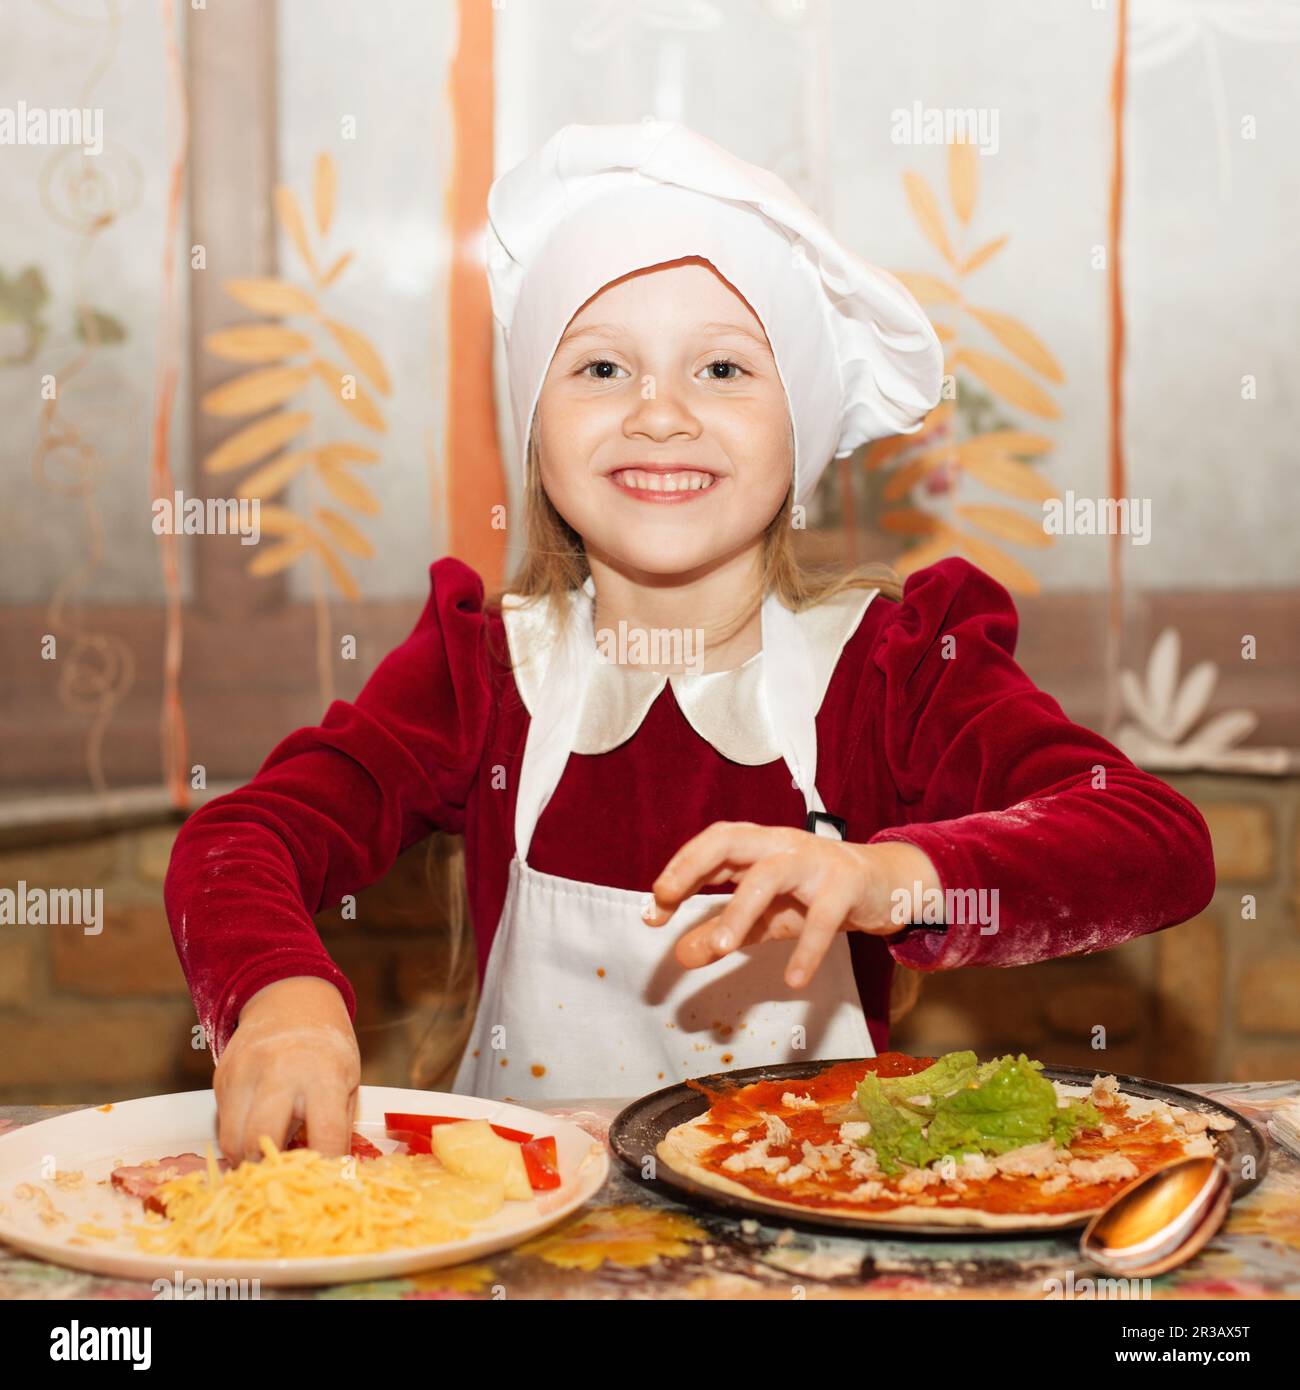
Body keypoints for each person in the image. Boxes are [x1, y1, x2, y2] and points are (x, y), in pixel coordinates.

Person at [164, 122, 1215, 1162]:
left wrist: (892, 877)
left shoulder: (894, 668)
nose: (660, 414)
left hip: (811, 1238)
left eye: (720, 368)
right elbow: (238, 841)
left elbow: (1153, 845)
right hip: (533, 1236)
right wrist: (280, 995)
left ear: (797, 424)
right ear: (535, 427)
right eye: (601, 368)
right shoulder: (482, 674)